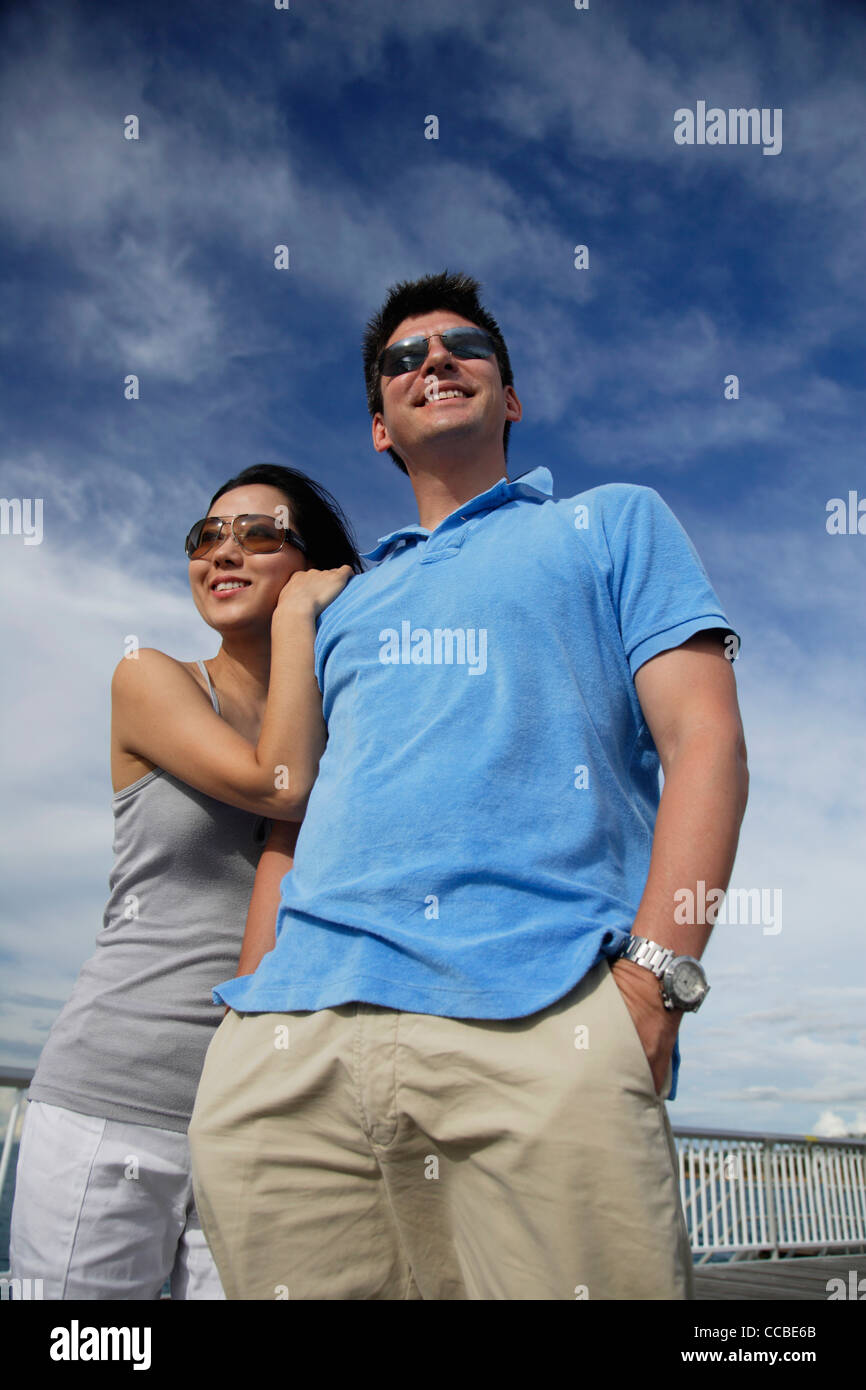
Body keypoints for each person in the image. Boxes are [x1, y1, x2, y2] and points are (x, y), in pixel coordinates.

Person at [188, 272, 749, 1301]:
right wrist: (249, 1003)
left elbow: (704, 740)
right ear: (377, 428)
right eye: (403, 358)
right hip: (287, 1047)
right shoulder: (344, 605)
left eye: (462, 346)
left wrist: (656, 981)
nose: (433, 361)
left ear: (510, 397)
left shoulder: (613, 523)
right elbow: (293, 813)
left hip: (542, 1023)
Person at [9, 463, 360, 1300]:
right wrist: (300, 620)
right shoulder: (152, 678)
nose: (223, 553)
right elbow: (278, 782)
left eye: (259, 534)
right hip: (114, 1097)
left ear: (308, 562)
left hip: (261, 1114)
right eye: (208, 536)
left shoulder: (348, 725)